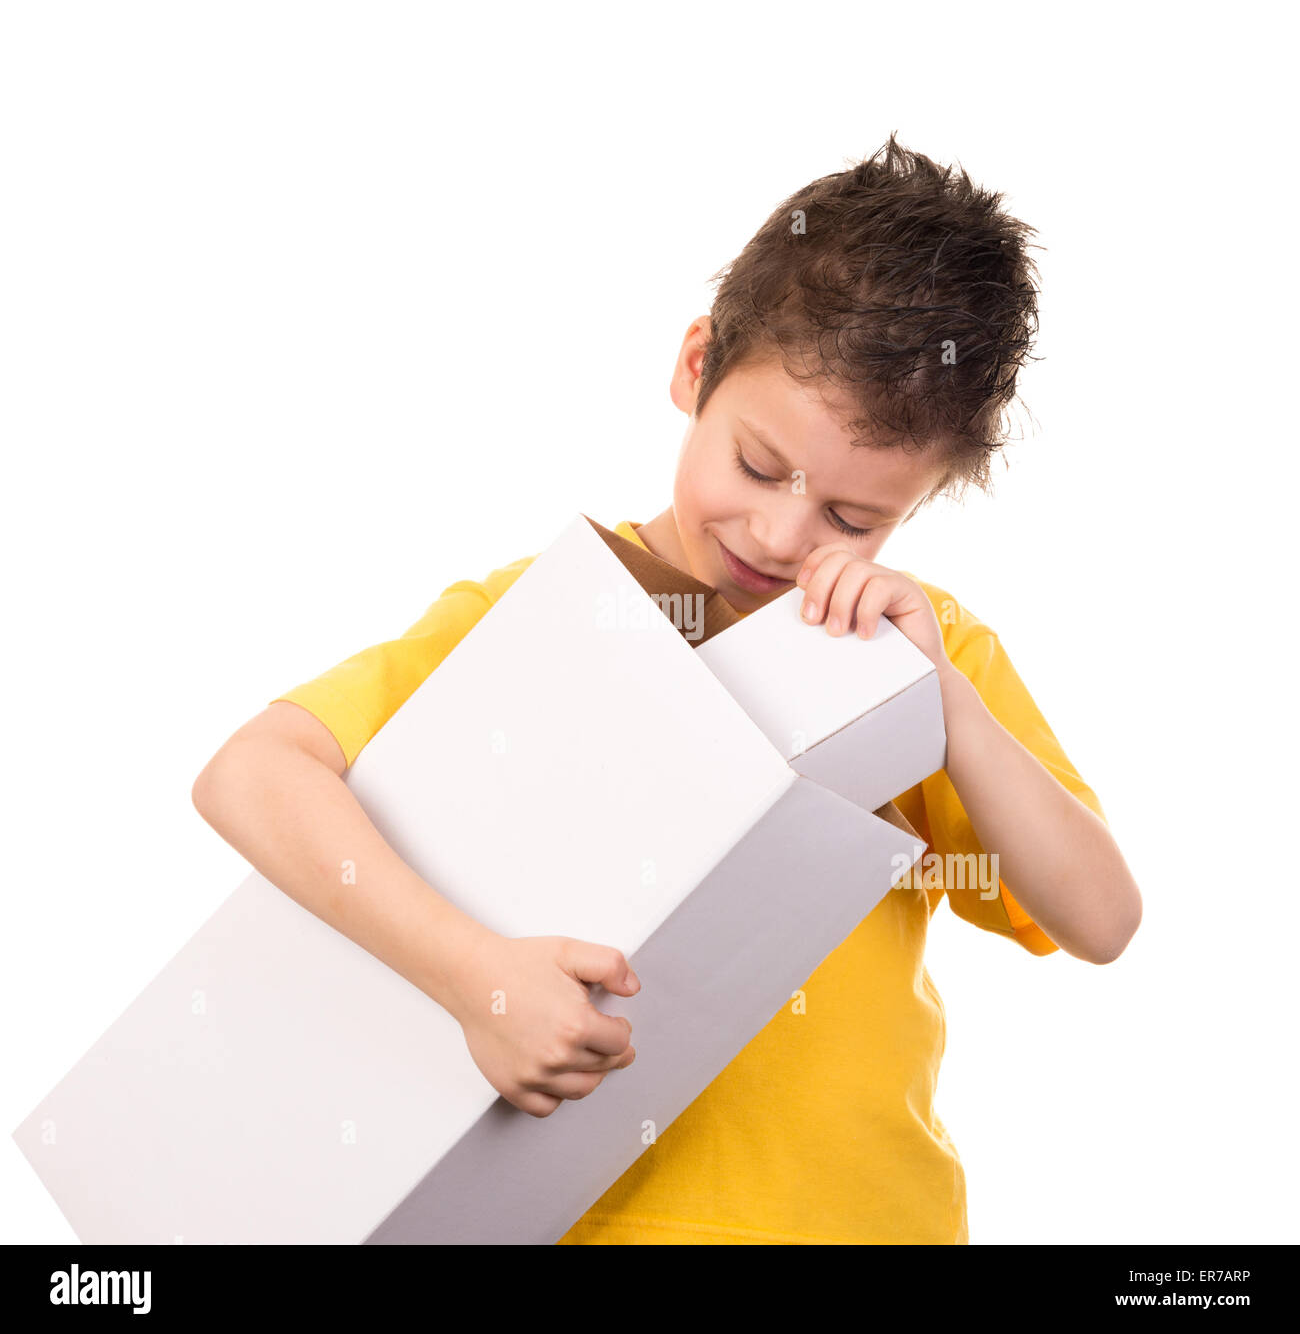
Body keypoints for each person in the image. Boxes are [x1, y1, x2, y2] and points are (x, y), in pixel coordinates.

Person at [192, 134, 1141, 1244]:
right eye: (754, 464)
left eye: (852, 517)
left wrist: (947, 702)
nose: (781, 535)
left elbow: (1101, 917)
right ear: (696, 366)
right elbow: (250, 772)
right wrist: (476, 978)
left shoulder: (916, 652)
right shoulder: (540, 614)